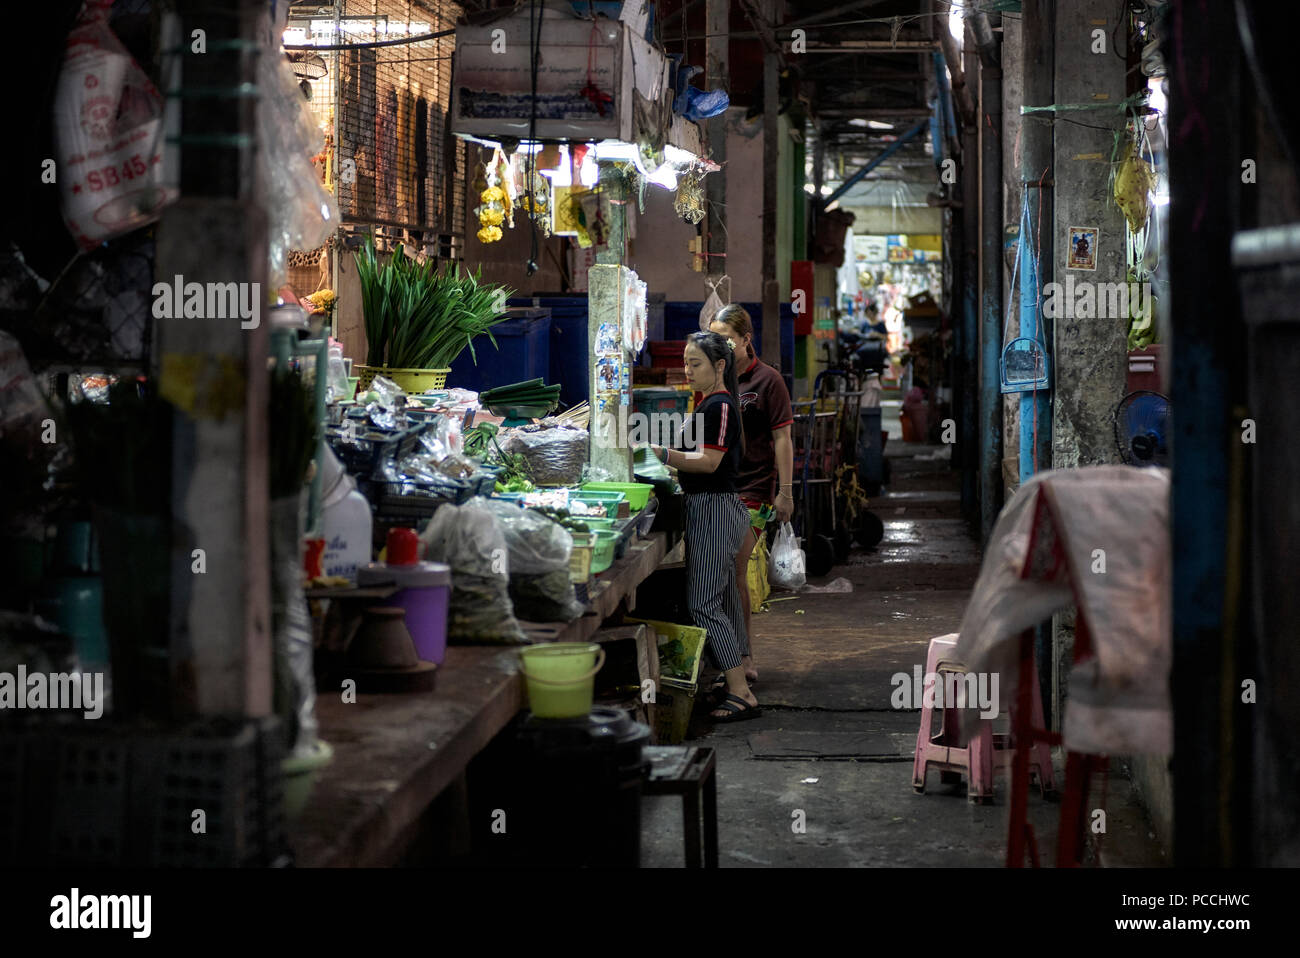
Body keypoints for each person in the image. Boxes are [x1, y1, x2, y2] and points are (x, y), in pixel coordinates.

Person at [648, 332, 760, 722]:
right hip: (706, 508)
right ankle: (734, 677)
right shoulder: (708, 404)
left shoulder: (721, 406)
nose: (687, 370)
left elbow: (710, 462)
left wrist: (660, 453)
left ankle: (741, 692)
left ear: (719, 366)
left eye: (695, 364)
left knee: (703, 603)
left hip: (713, 509)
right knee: (724, 600)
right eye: (686, 362)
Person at [708, 305, 794, 686]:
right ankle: (726, 656)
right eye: (715, 339)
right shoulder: (715, 378)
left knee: (733, 569)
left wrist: (786, 492)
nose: (721, 346)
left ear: (746, 339)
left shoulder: (767, 380)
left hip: (754, 490)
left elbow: (783, 439)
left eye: (726, 338)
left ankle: (743, 656)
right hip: (718, 487)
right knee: (721, 574)